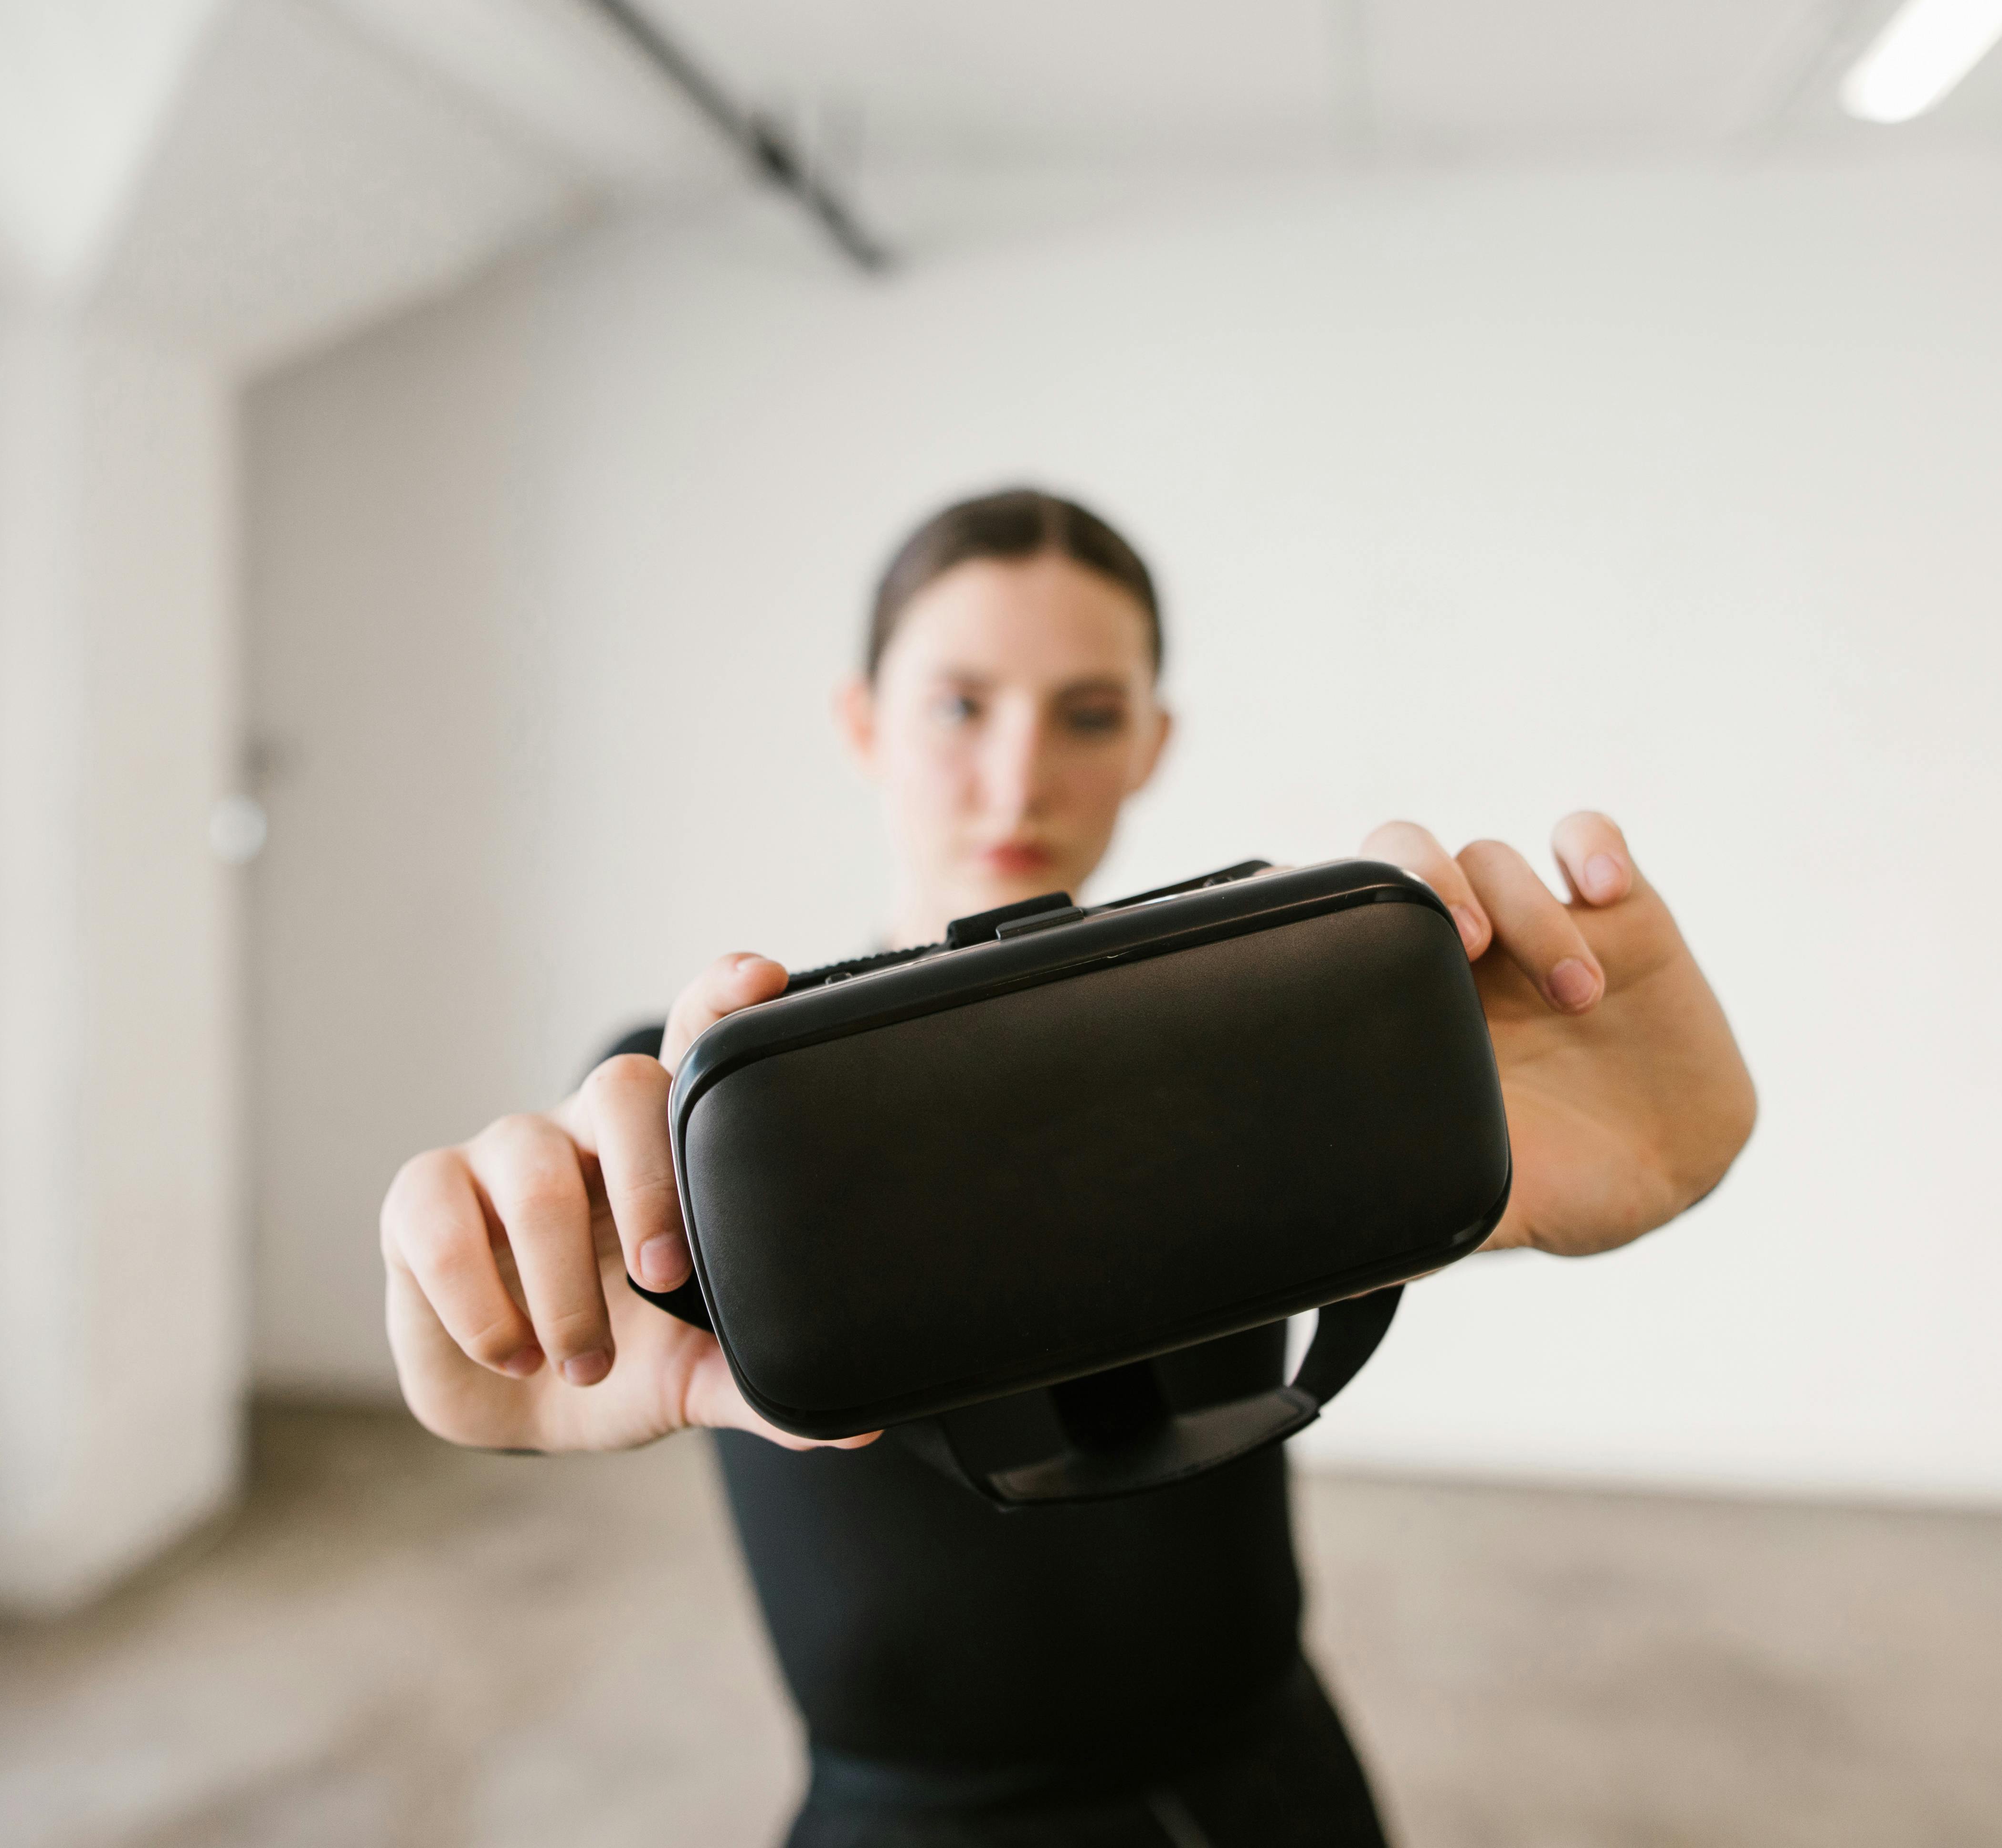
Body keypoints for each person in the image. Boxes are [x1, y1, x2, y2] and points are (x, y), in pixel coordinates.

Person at [379, 489, 1758, 1846]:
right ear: (863, 723)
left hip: (1276, 1781)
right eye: (959, 706)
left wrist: (1615, 1138)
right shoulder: (683, 1117)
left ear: (1153, 742)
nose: (1020, 775)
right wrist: (491, 1347)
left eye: (1088, 714)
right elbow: (541, 1308)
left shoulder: (1258, 1033)